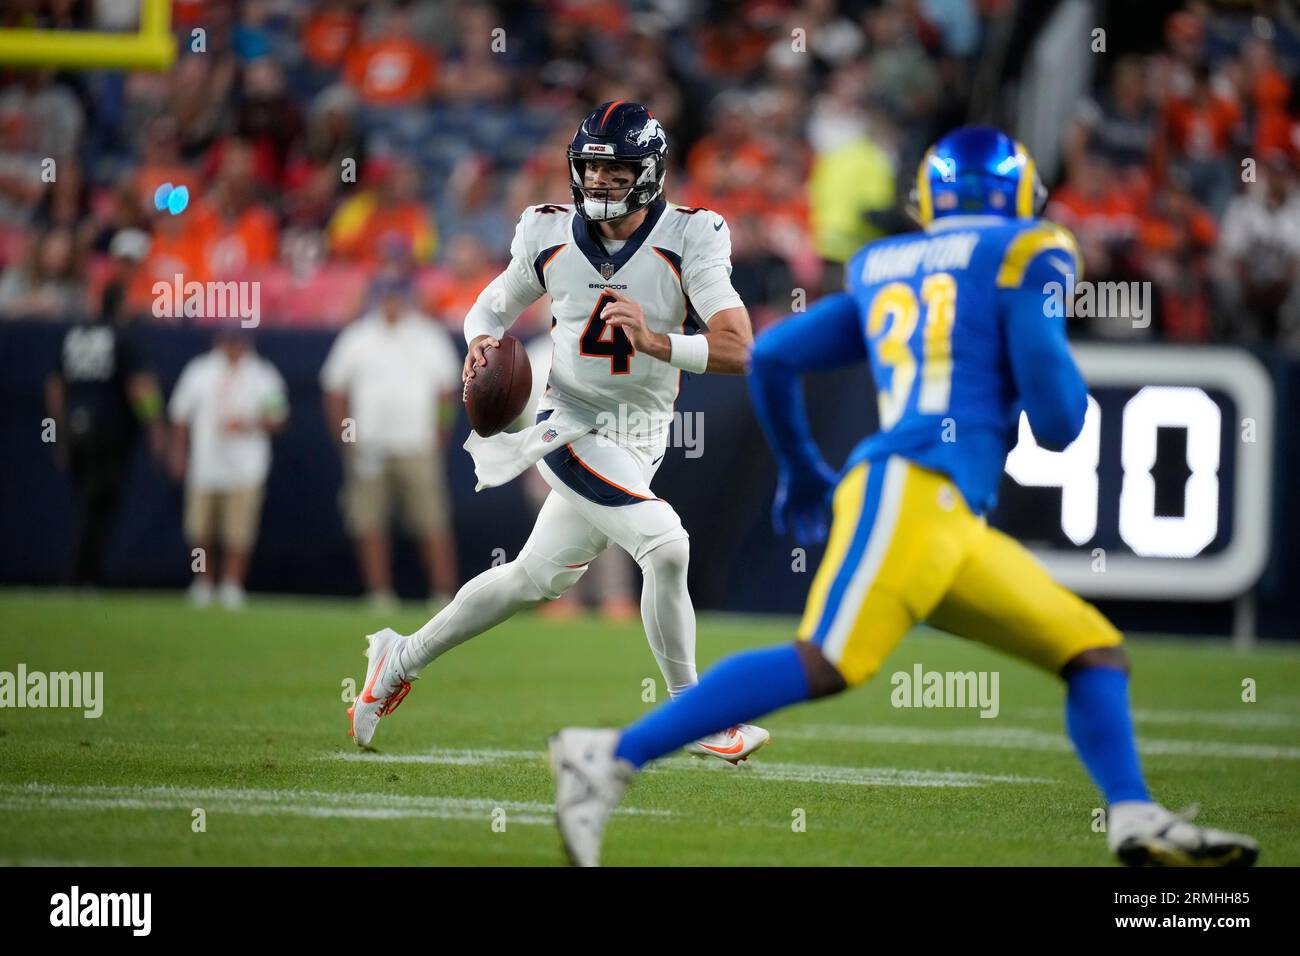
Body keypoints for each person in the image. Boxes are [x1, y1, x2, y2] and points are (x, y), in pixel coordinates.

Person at [547, 127, 1261, 868]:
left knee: (1092, 650)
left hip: (944, 515)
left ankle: (1135, 815)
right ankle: (608, 756)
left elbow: (778, 357)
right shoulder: (1029, 249)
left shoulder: (886, 262)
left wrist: (801, 471)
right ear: (1021, 196)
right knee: (826, 661)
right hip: (915, 491)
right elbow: (1057, 422)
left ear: (930, 198)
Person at [346, 101, 770, 763]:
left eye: (617, 170)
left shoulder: (691, 235)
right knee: (666, 545)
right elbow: (490, 306)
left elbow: (740, 347)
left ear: (651, 173)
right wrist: (482, 343)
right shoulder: (546, 232)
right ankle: (696, 715)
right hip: (570, 423)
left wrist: (657, 342)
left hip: (642, 435)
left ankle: (399, 658)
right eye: (591, 170)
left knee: (530, 579)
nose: (599, 183)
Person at [320, 270, 461, 609]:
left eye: (397, 296)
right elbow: (335, 389)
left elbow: (447, 392)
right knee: (369, 521)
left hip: (417, 445)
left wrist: (439, 436)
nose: (392, 303)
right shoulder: (357, 336)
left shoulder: (429, 336)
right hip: (369, 446)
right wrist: (346, 435)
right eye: (386, 296)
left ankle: (443, 595)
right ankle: (378, 593)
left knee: (431, 521)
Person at [46, 281, 164, 586]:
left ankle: (84, 574)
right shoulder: (123, 337)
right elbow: (140, 388)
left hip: (75, 428)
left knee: (86, 502)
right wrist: (155, 428)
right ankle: (83, 576)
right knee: (99, 505)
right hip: (107, 431)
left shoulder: (75, 335)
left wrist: (56, 433)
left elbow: (56, 388)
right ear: (122, 304)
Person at [168, 326, 288, 608]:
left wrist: (249, 424)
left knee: (239, 531)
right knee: (200, 530)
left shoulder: (262, 375)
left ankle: (232, 585)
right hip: (205, 465)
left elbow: (278, 418)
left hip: (246, 468)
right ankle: (203, 583)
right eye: (229, 341)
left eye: (239, 342)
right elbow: (180, 416)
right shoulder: (200, 371)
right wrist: (179, 453)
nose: (233, 348)